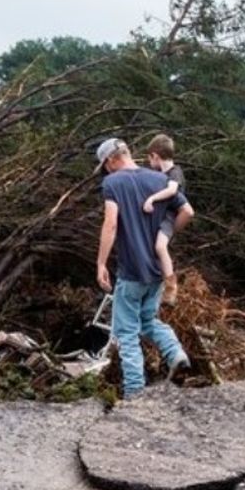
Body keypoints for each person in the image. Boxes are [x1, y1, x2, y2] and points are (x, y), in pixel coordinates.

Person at [95, 137, 193, 399]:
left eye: (105, 166)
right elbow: (187, 212)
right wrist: (165, 236)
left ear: (112, 160)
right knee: (148, 321)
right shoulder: (160, 180)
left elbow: (111, 224)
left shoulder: (112, 183)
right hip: (157, 272)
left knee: (126, 332)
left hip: (131, 271)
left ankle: (134, 391)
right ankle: (175, 353)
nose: (105, 171)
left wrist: (101, 262)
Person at [141, 134, 185, 305]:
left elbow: (172, 190)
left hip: (170, 216)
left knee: (160, 246)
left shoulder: (175, 173)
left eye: (149, 158)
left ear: (155, 156)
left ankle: (171, 284)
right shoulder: (160, 173)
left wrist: (151, 199)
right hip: (161, 216)